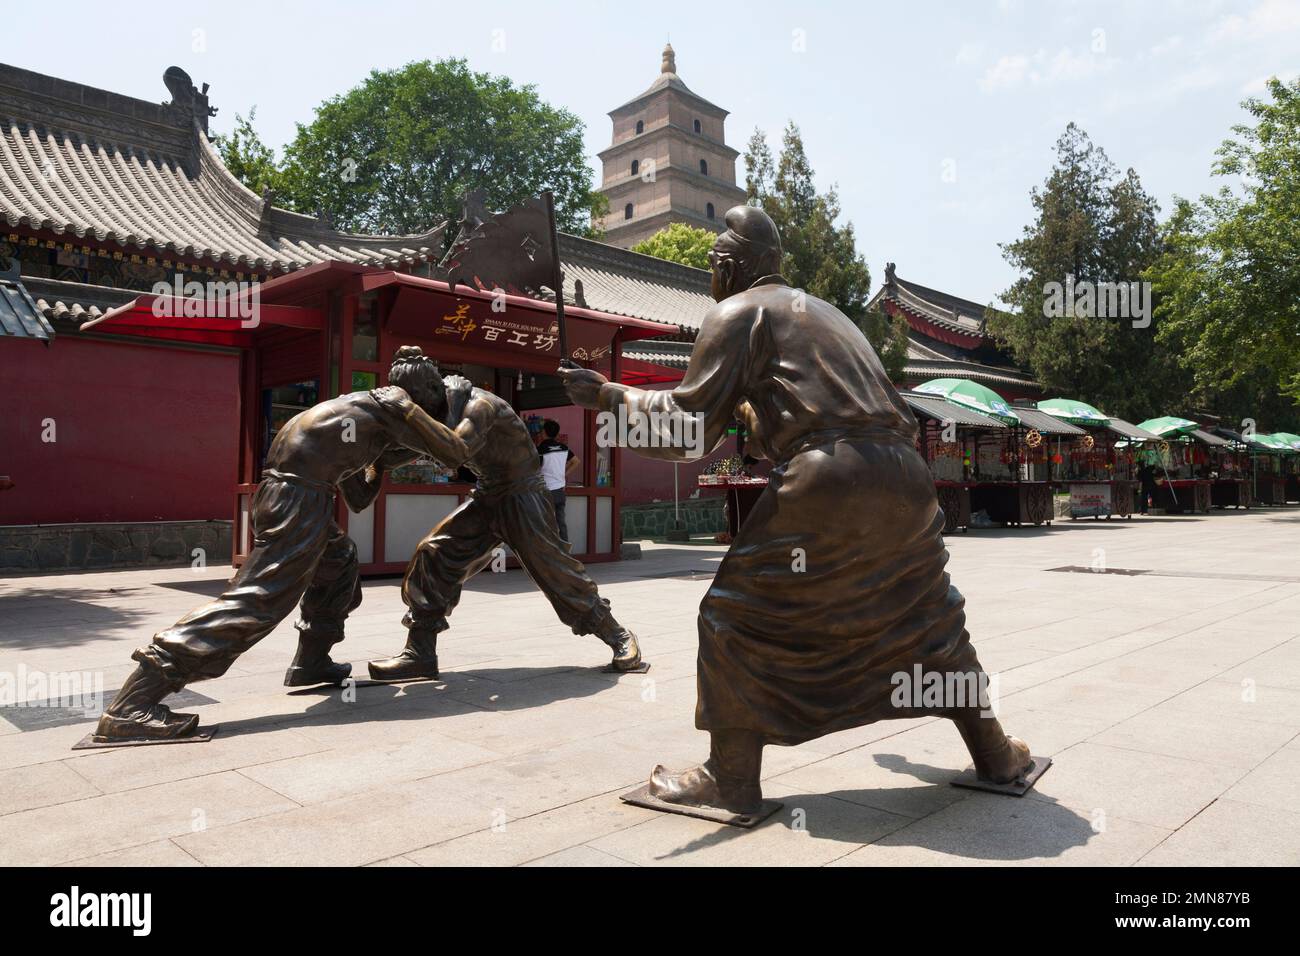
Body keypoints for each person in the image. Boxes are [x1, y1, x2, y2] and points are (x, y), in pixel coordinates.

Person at [559, 205, 1033, 815]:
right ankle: (994, 750)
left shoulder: (736, 312)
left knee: (733, 616)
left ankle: (732, 777)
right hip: (904, 477)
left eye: (711, 267)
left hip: (831, 478)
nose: (710, 279)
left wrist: (608, 397)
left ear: (731, 266)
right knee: (926, 614)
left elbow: (689, 433)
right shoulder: (824, 314)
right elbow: (797, 409)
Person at [91, 348, 470, 743]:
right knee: (258, 598)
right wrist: (457, 402)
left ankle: (313, 660)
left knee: (339, 562)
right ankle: (134, 703)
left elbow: (358, 496)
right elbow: (456, 452)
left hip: (298, 494)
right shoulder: (396, 406)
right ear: (422, 392)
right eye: (435, 395)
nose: (437, 404)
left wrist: (382, 462)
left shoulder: (369, 413)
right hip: (297, 499)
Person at [367, 373, 642, 682]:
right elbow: (420, 444)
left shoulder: (479, 405)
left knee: (554, 571)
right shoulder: (438, 406)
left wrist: (406, 409)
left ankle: (618, 635)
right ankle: (420, 653)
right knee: (434, 552)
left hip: (523, 494)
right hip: (488, 494)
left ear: (431, 391)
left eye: (420, 404)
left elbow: (454, 452)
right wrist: (375, 462)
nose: (419, 410)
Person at [536, 419, 579, 543]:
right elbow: (576, 462)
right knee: (561, 523)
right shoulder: (564, 448)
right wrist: (563, 474)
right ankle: (565, 551)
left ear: (544, 433)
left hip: (546, 491)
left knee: (545, 524)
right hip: (560, 491)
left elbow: (535, 469)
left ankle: (549, 552)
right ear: (556, 434)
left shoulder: (541, 449)